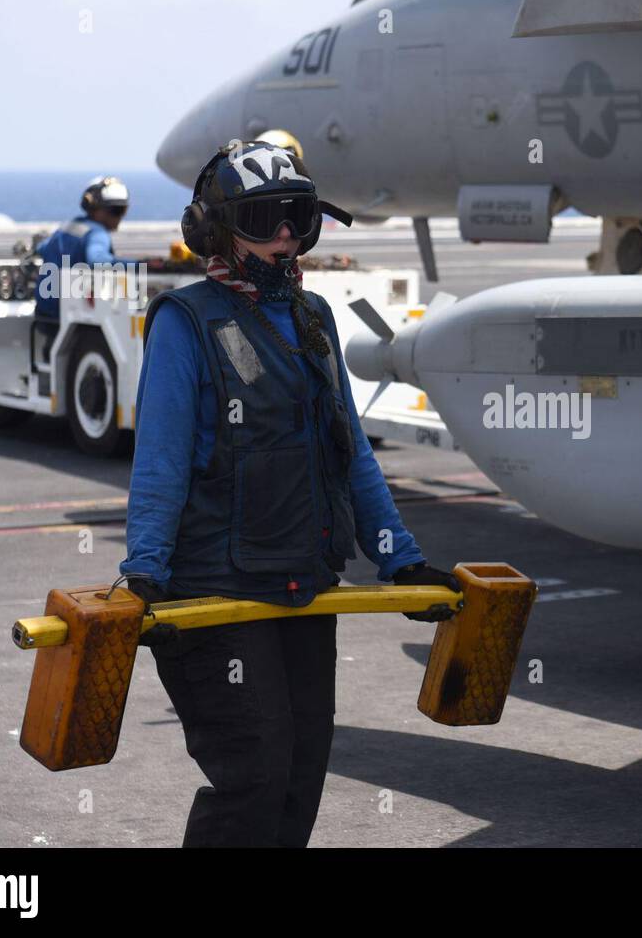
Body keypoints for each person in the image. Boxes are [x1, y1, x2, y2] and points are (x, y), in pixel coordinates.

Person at [119, 140, 459, 848]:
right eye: (265, 218)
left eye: (298, 220)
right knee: (253, 775)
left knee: (301, 776)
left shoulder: (313, 322)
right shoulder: (184, 324)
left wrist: (400, 557)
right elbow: (160, 461)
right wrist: (144, 571)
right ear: (217, 231)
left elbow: (351, 453)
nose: (284, 236)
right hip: (213, 594)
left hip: (303, 589)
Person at [34, 175, 131, 321]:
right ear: (93, 208)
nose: (118, 217)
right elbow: (97, 260)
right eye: (114, 211)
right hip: (69, 318)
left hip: (44, 314)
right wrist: (142, 265)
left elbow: (42, 248)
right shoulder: (96, 233)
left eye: (120, 210)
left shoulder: (67, 227)